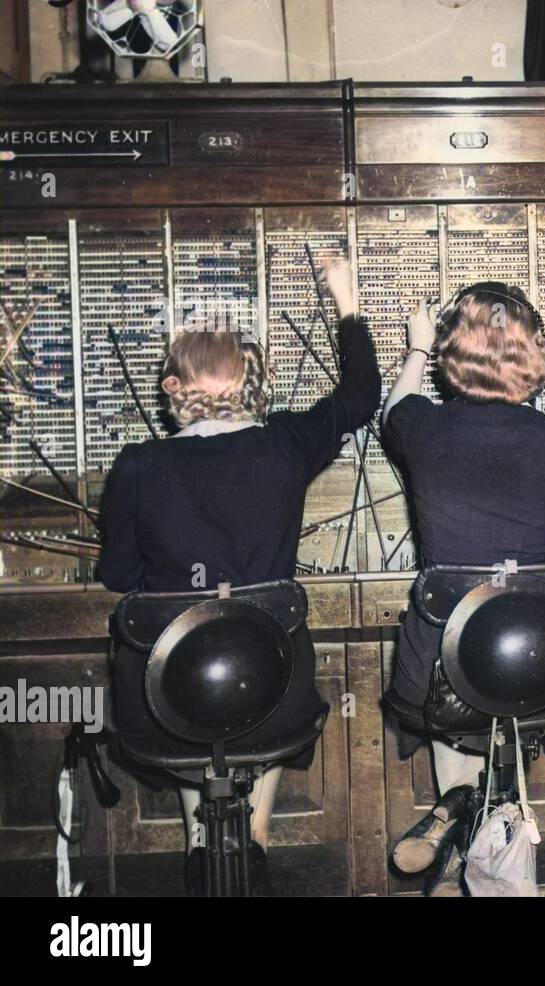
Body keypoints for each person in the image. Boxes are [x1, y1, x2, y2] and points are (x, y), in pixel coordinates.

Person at [98, 257, 380, 892]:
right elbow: (361, 397)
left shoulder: (137, 466)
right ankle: (252, 836)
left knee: (187, 680)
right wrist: (348, 304)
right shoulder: (286, 443)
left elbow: (118, 577)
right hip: (275, 698)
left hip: (161, 704)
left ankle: (202, 841)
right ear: (256, 382)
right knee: (258, 673)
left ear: (175, 387)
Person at [381, 283, 545, 893]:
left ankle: (455, 804)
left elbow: (392, 408)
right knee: (507, 690)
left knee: (454, 697)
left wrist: (417, 349)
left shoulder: (422, 430)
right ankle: (487, 818)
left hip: (436, 673)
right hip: (534, 668)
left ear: (454, 352)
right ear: (533, 352)